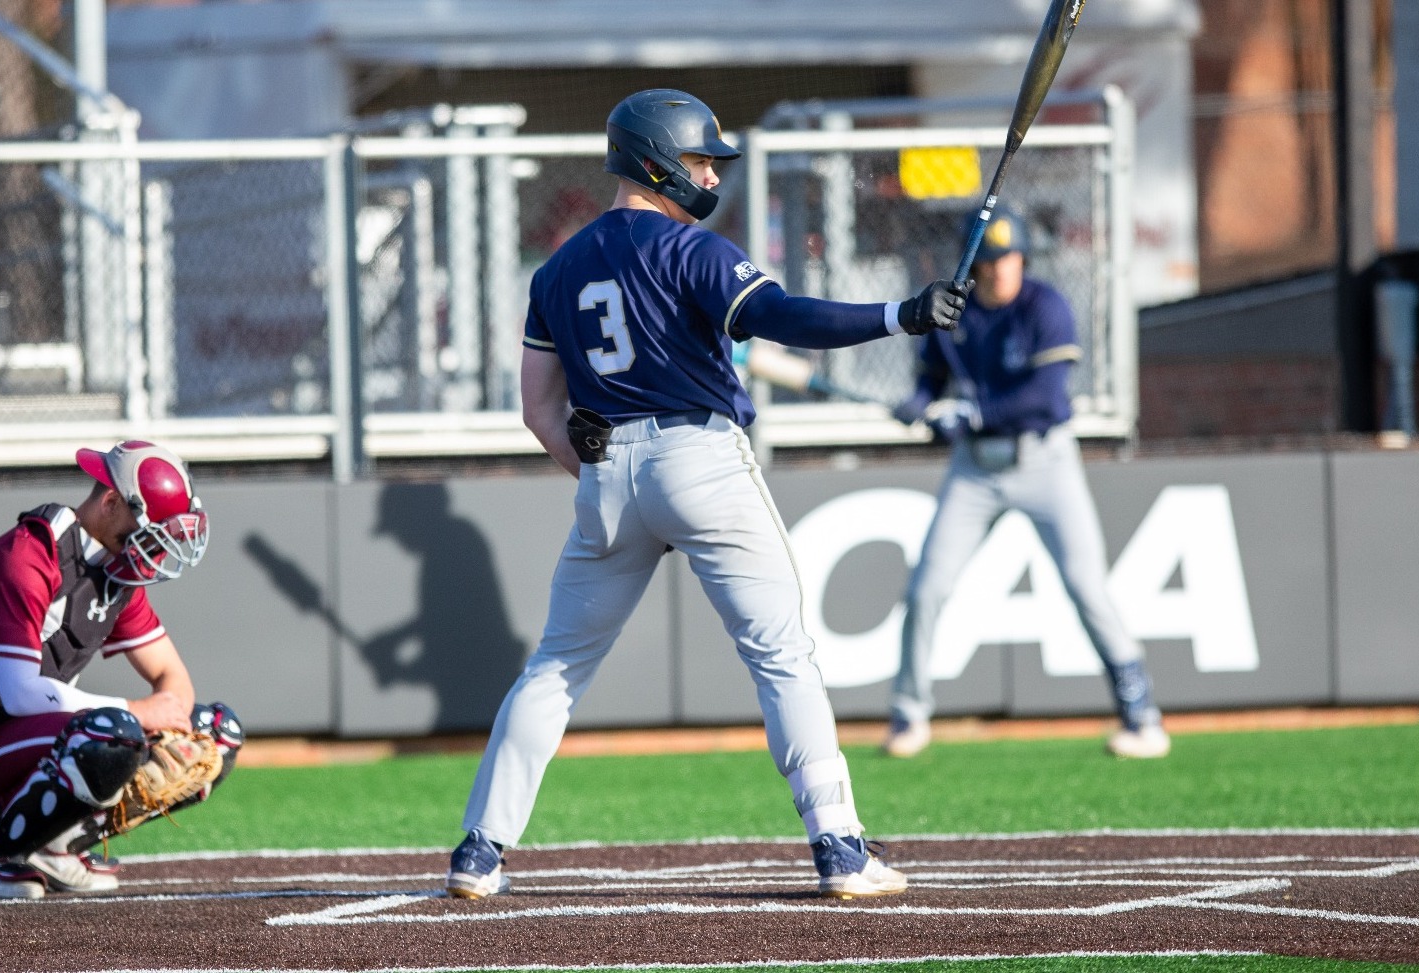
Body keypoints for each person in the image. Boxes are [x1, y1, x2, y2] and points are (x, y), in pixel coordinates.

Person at [444, 88, 969, 901]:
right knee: (781, 654)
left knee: (553, 668)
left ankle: (479, 850)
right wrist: (900, 316)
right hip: (701, 459)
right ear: (656, 159)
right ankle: (838, 847)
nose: (707, 173)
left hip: (608, 473)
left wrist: (596, 475)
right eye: (697, 159)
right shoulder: (692, 249)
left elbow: (538, 409)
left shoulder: (557, 268)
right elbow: (782, 314)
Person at [883, 205, 1170, 760]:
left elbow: (1044, 397)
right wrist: (918, 407)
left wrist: (968, 414)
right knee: (927, 588)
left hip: (1045, 461)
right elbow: (929, 382)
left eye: (1011, 259)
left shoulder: (1045, 305)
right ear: (975, 267)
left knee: (1087, 585)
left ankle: (1141, 715)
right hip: (974, 469)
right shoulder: (953, 311)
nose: (1002, 271)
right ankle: (908, 714)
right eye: (992, 261)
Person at [0, 440, 243, 899]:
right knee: (115, 733)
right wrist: (142, 713)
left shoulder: (116, 571)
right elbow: (18, 695)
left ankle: (56, 842)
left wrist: (171, 715)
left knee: (215, 732)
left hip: (41, 741)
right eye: (151, 531)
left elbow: (173, 681)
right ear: (111, 502)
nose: (158, 549)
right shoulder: (26, 557)